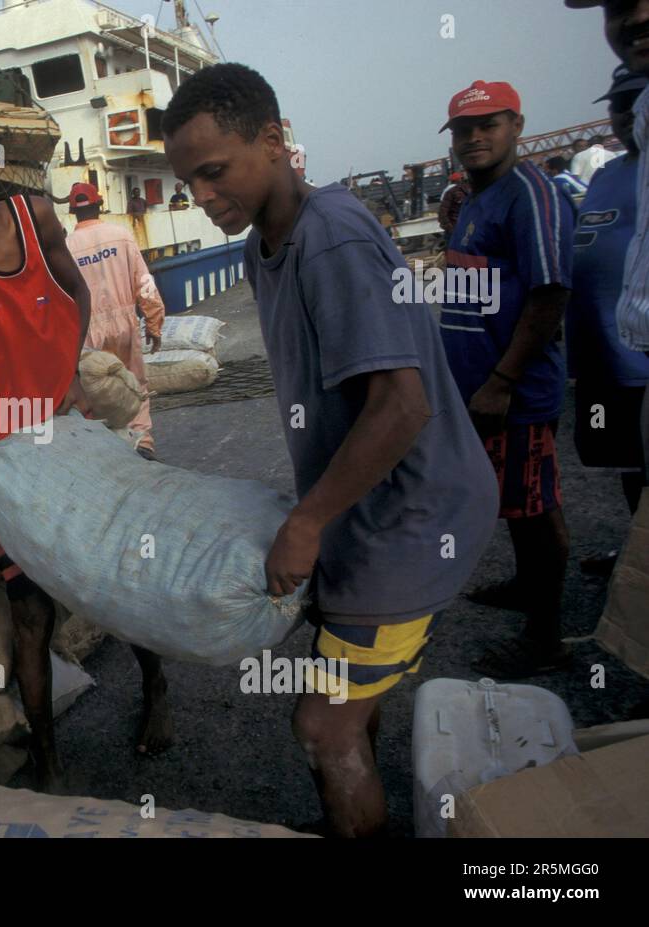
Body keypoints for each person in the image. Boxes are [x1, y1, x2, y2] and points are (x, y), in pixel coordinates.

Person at [162, 63, 497, 837]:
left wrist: (307, 522)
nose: (204, 198)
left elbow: (402, 406)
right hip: (365, 513)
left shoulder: (332, 239)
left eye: (215, 173)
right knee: (343, 691)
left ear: (275, 141)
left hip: (412, 516)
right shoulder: (263, 247)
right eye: (188, 185)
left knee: (324, 727)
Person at [0, 108, 176, 787]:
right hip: (5, 452)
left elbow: (73, 288)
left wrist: (69, 361)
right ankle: (48, 761)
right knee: (29, 612)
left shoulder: (35, 216)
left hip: (69, 431)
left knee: (117, 576)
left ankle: (158, 687)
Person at [436, 80, 575, 678]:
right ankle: (526, 587)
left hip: (513, 393)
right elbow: (481, 281)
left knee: (535, 509)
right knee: (518, 504)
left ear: (517, 125)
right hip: (482, 388)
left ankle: (545, 640)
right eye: (463, 129)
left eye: (488, 125)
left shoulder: (529, 193)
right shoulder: (475, 197)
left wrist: (501, 381)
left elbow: (549, 295)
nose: (474, 138)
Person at [568, 65, 649, 572]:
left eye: (634, 100)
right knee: (625, 463)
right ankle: (638, 555)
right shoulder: (606, 175)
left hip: (642, 359)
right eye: (618, 104)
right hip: (601, 357)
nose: (623, 114)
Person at [65, 181, 166, 458]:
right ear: (99, 205)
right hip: (124, 323)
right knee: (134, 381)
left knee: (97, 388)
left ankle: (110, 448)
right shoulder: (121, 236)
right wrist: (154, 324)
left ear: (73, 212)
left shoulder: (66, 247)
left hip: (88, 330)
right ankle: (142, 439)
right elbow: (144, 282)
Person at [438, 171, 472, 235]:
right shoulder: (452, 190)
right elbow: (443, 212)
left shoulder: (468, 190)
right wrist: (451, 229)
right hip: (457, 226)